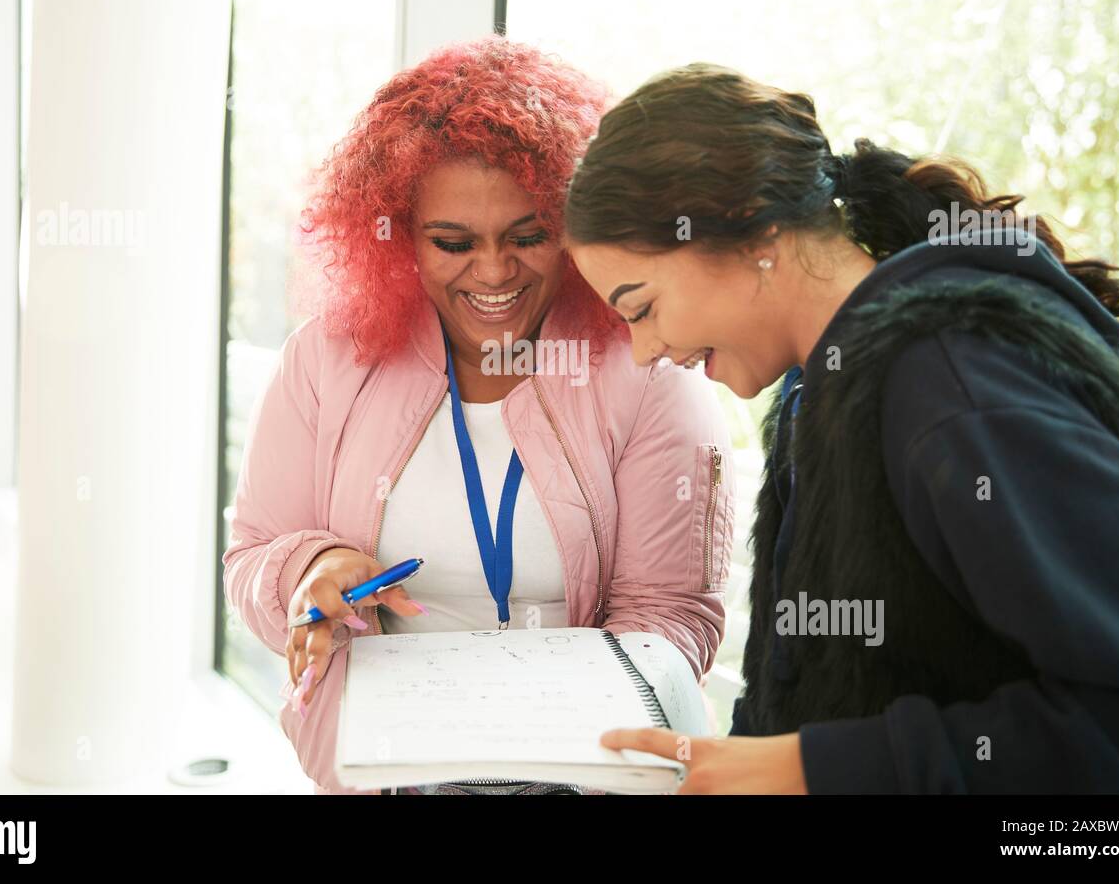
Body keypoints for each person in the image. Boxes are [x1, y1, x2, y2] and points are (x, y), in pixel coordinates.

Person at [565, 62, 1119, 793]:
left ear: (757, 231)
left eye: (641, 307)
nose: (645, 351)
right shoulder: (819, 387)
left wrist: (808, 769)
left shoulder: (951, 381)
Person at [221, 40, 736, 795]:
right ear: (394, 237)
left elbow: (672, 618)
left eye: (528, 237)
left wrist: (541, 732)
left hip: (582, 773)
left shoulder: (647, 367)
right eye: (453, 243)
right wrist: (311, 571)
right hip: (383, 769)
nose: (494, 272)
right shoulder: (327, 360)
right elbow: (253, 556)